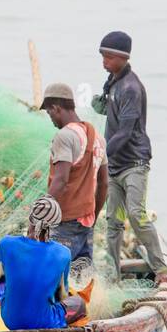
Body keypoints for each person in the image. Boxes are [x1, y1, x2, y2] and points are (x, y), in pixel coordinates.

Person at [91, 32, 167, 284]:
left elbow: (125, 132)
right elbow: (106, 111)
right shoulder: (113, 82)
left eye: (108, 57)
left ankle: (161, 270)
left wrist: (101, 154)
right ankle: (112, 276)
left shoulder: (131, 88)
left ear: (123, 58)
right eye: (102, 56)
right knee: (114, 221)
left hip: (134, 163)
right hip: (115, 165)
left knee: (136, 214)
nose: (103, 61)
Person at [0, 196, 85, 332]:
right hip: (42, 322)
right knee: (79, 303)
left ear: (30, 217)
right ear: (55, 225)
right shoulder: (63, 253)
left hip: (10, 319)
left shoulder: (6, 244)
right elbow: (59, 297)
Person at [40, 82, 108, 266]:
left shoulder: (65, 136)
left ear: (56, 108)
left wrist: (40, 217)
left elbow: (60, 181)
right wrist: (93, 216)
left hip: (64, 223)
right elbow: (104, 184)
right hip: (86, 223)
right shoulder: (98, 139)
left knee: (53, 278)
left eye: (49, 113)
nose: (51, 118)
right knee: (81, 282)